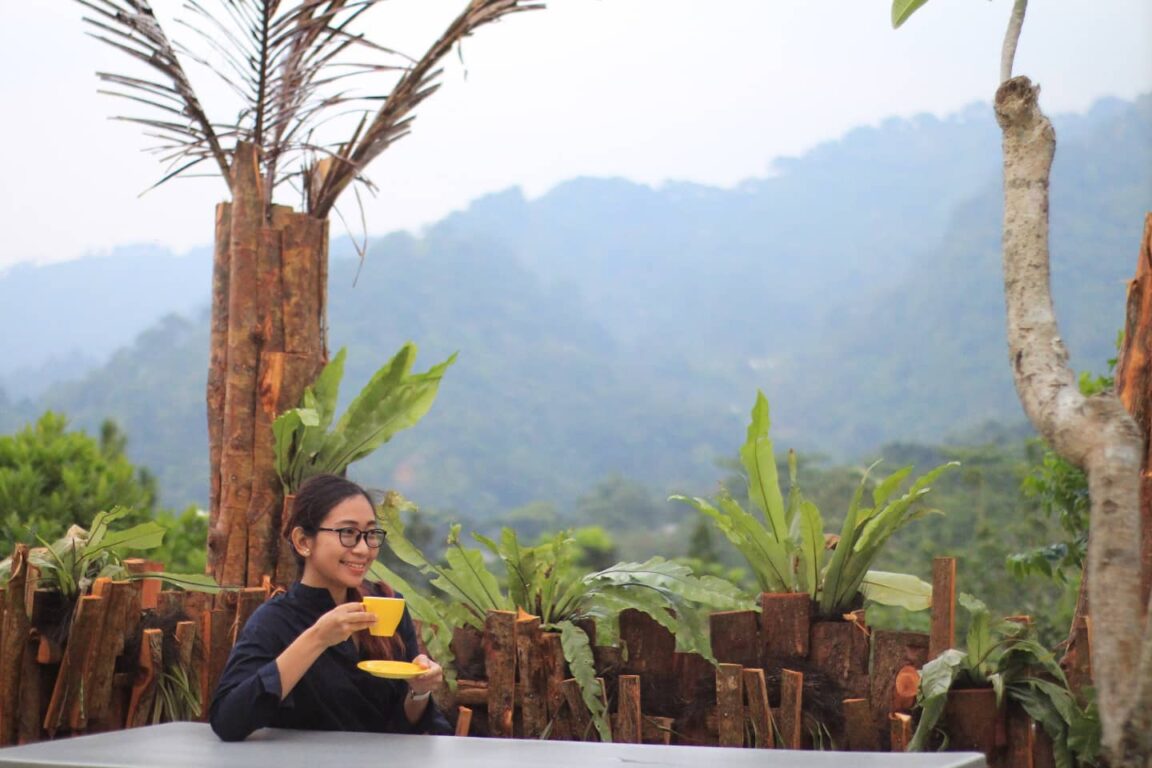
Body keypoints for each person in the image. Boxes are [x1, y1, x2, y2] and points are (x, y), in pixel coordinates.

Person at [210, 474, 451, 741]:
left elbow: (402, 728)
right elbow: (228, 721)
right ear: (303, 541)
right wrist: (318, 637)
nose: (363, 549)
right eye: (348, 533)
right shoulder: (275, 620)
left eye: (371, 534)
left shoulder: (387, 605)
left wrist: (419, 690)